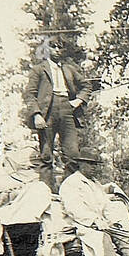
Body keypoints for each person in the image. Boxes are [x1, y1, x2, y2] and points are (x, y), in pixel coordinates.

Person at [23, 37, 92, 192]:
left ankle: (68, 191)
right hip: (47, 112)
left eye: (60, 48)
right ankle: (47, 193)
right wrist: (36, 114)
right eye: (53, 47)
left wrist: (78, 101)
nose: (57, 50)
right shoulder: (39, 70)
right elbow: (29, 94)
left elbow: (87, 85)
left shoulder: (69, 69)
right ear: (47, 50)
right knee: (46, 155)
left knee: (73, 154)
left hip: (67, 109)